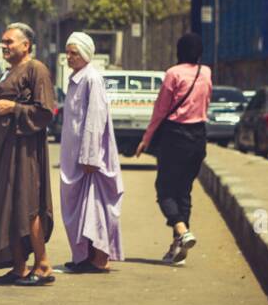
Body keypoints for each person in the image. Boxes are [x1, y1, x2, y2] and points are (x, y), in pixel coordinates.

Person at [0, 23, 56, 286]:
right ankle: (19, 266)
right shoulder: (8, 73)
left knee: (28, 206)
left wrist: (13, 108)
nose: (4, 46)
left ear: (26, 45)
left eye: (9, 41)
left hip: (25, 151)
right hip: (4, 152)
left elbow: (46, 111)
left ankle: (43, 264)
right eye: (3, 41)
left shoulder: (36, 69)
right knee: (8, 206)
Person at [135, 32, 212, 265]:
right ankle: (178, 248)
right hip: (198, 137)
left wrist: (146, 139)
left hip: (175, 137)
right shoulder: (206, 72)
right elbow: (206, 101)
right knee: (184, 191)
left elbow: (160, 110)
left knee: (165, 190)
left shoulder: (173, 74)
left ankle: (181, 229)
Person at [58, 32, 123, 273]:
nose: (69, 57)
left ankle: (99, 259)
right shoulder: (75, 79)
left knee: (94, 207)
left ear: (86, 54)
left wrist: (90, 156)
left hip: (89, 159)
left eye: (74, 53)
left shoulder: (92, 79)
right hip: (73, 158)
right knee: (80, 208)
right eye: (68, 52)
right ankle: (84, 256)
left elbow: (96, 119)